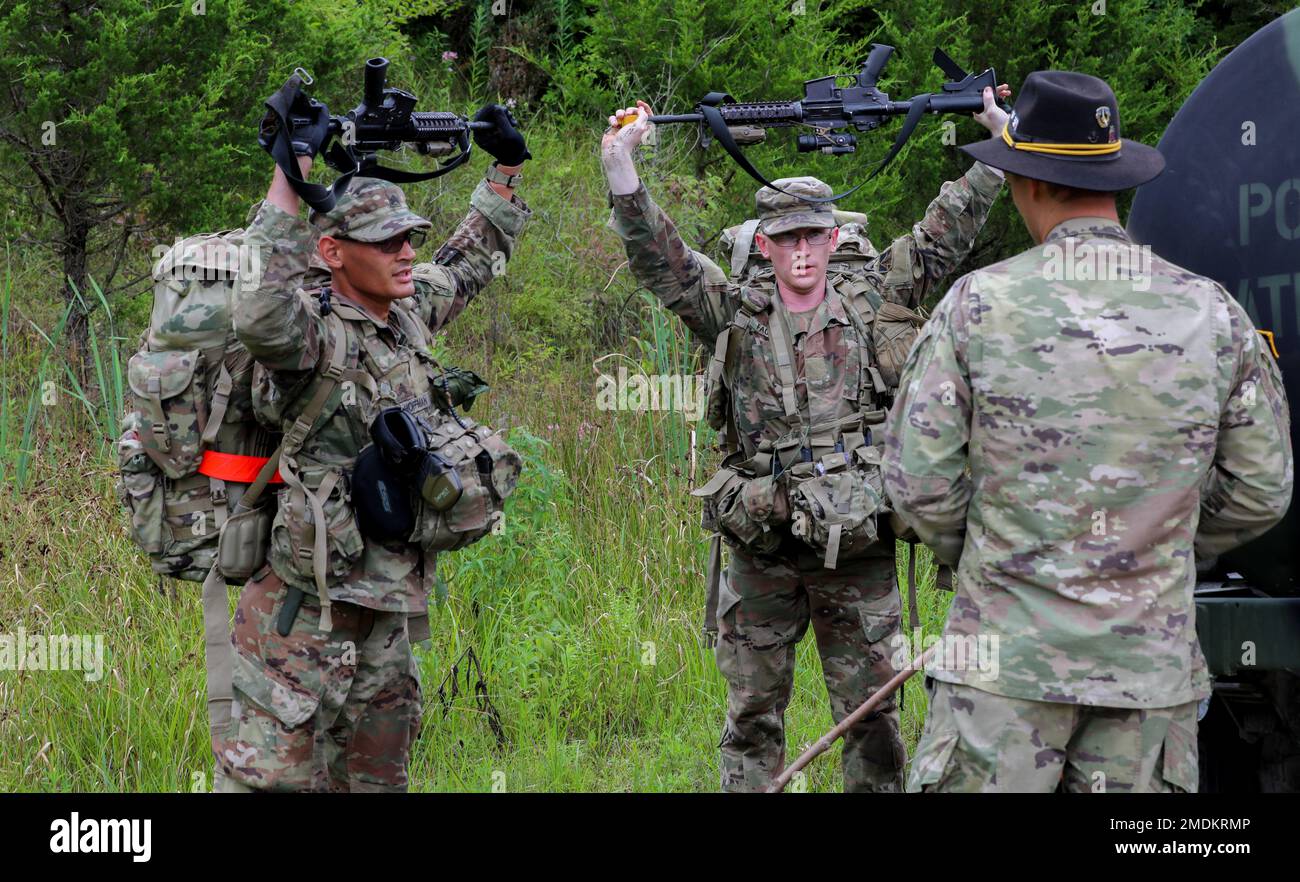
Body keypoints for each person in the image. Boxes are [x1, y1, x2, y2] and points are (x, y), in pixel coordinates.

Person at [884, 71, 1293, 792]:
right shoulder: (1212, 312)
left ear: (1030, 185)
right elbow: (1262, 487)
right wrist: (1157, 540)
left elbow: (918, 485)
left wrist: (998, 551)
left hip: (1003, 672)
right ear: (1113, 178)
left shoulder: (976, 305)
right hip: (1148, 675)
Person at [602, 85, 1010, 792]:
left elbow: (945, 230)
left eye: (811, 236)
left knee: (873, 716)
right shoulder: (732, 310)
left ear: (831, 237)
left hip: (858, 543)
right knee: (753, 711)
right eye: (786, 238)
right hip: (764, 546)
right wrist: (621, 165)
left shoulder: (873, 296)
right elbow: (660, 259)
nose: (801, 252)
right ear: (765, 244)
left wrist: (1000, 146)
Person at [212, 104, 531, 792]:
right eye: (388, 243)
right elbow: (257, 310)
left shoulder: (407, 312)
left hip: (389, 610)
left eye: (409, 238)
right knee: (273, 783)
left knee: (377, 781)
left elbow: (466, 263)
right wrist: (290, 175)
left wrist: (504, 171)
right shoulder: (310, 335)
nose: (408, 252)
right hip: (304, 615)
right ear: (333, 253)